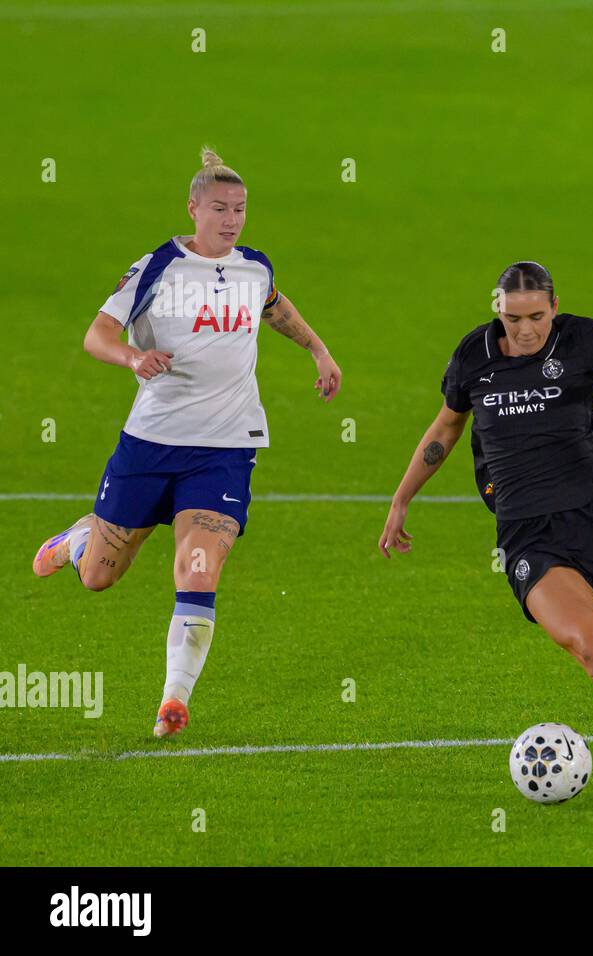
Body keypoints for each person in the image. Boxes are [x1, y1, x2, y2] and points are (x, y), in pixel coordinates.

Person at [378, 261, 593, 800]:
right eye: (513, 318)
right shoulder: (474, 356)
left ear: (555, 307)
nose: (524, 330)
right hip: (529, 536)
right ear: (497, 308)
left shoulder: (581, 340)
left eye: (537, 317)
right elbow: (446, 427)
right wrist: (402, 498)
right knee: (592, 647)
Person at [32, 148, 343, 738]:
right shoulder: (156, 268)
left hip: (224, 450)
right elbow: (97, 333)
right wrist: (132, 356)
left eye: (242, 210)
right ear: (193, 208)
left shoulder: (253, 268)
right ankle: (78, 540)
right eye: (221, 209)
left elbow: (273, 304)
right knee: (100, 575)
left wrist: (318, 350)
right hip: (149, 445)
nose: (232, 221)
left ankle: (173, 702)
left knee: (198, 570)